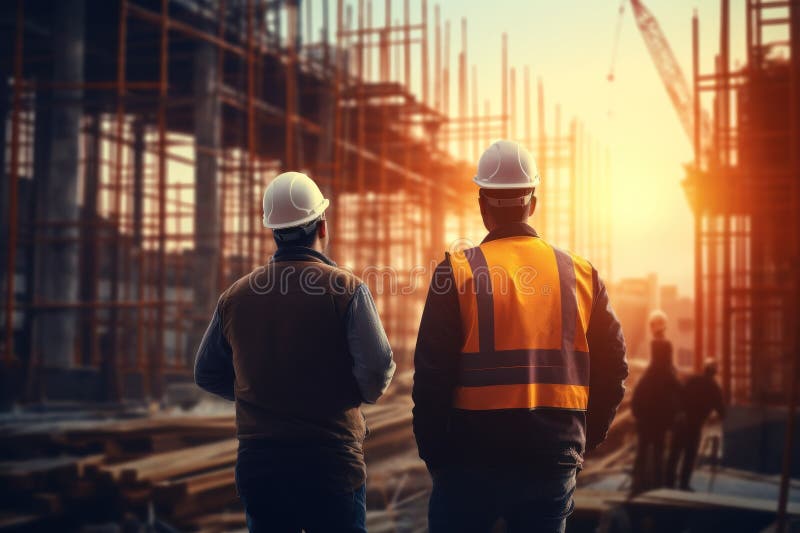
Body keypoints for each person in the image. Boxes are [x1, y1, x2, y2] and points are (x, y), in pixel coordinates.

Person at [412, 140, 628, 533]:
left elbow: (431, 377)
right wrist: (582, 440)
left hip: (468, 460)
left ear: (483, 205)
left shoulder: (457, 272)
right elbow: (614, 369)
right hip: (551, 455)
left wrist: (436, 456)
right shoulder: (580, 274)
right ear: (534, 203)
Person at [194, 171, 396, 533]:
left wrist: (257, 396)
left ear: (273, 232)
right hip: (331, 461)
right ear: (322, 227)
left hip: (262, 465)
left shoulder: (235, 297)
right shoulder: (346, 289)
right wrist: (357, 395)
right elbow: (378, 367)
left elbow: (206, 373)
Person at [630, 310, 682, 494]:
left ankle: (638, 484)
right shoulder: (669, 379)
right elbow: (677, 395)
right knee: (658, 451)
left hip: (647, 419)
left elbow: (636, 402)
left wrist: (638, 414)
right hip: (659, 420)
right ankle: (657, 485)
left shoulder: (647, 380)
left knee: (643, 450)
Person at [666, 359, 726, 490]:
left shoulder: (692, 380)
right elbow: (721, 411)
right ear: (715, 372)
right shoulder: (714, 387)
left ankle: (668, 482)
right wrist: (713, 419)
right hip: (695, 424)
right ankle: (683, 483)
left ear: (704, 369)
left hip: (682, 421)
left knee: (675, 453)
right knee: (689, 455)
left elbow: (679, 394)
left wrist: (679, 412)